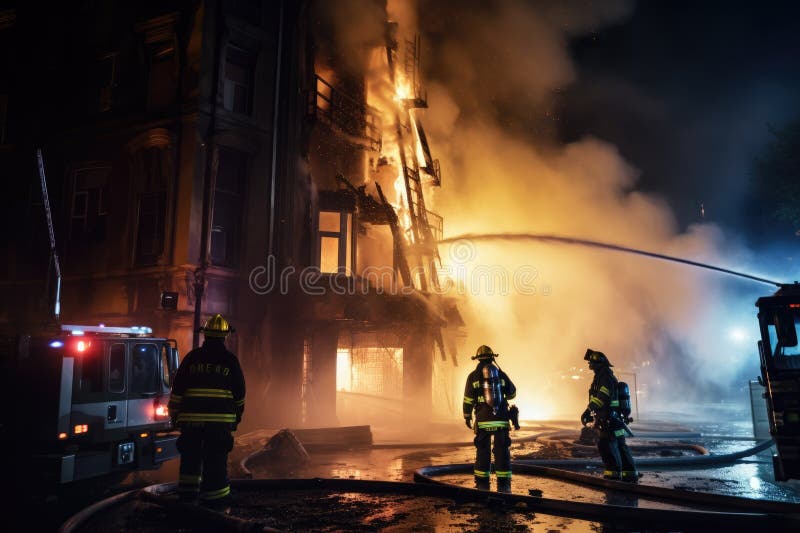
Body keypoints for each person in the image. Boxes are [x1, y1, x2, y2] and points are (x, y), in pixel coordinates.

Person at [168, 313, 246, 507]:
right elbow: (239, 393)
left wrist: (175, 414)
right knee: (215, 461)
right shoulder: (230, 361)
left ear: (205, 335)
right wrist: (237, 416)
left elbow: (177, 389)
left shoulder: (192, 358)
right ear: (225, 337)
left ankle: (187, 497)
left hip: (191, 422)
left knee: (190, 459)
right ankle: (216, 500)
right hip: (219, 424)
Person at [462, 345, 517, 491]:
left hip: (483, 421)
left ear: (477, 359)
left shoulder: (472, 376)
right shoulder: (499, 374)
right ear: (492, 357)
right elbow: (512, 393)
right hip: (501, 419)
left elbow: (468, 399)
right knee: (501, 450)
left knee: (482, 450)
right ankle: (504, 483)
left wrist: (467, 416)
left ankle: (482, 482)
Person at [581, 348, 638, 482]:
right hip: (615, 419)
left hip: (609, 418)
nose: (589, 365)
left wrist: (589, 409)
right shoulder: (604, 375)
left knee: (605, 444)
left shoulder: (604, 376)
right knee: (619, 444)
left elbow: (603, 396)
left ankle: (613, 473)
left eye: (591, 362)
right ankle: (629, 473)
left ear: (598, 363)